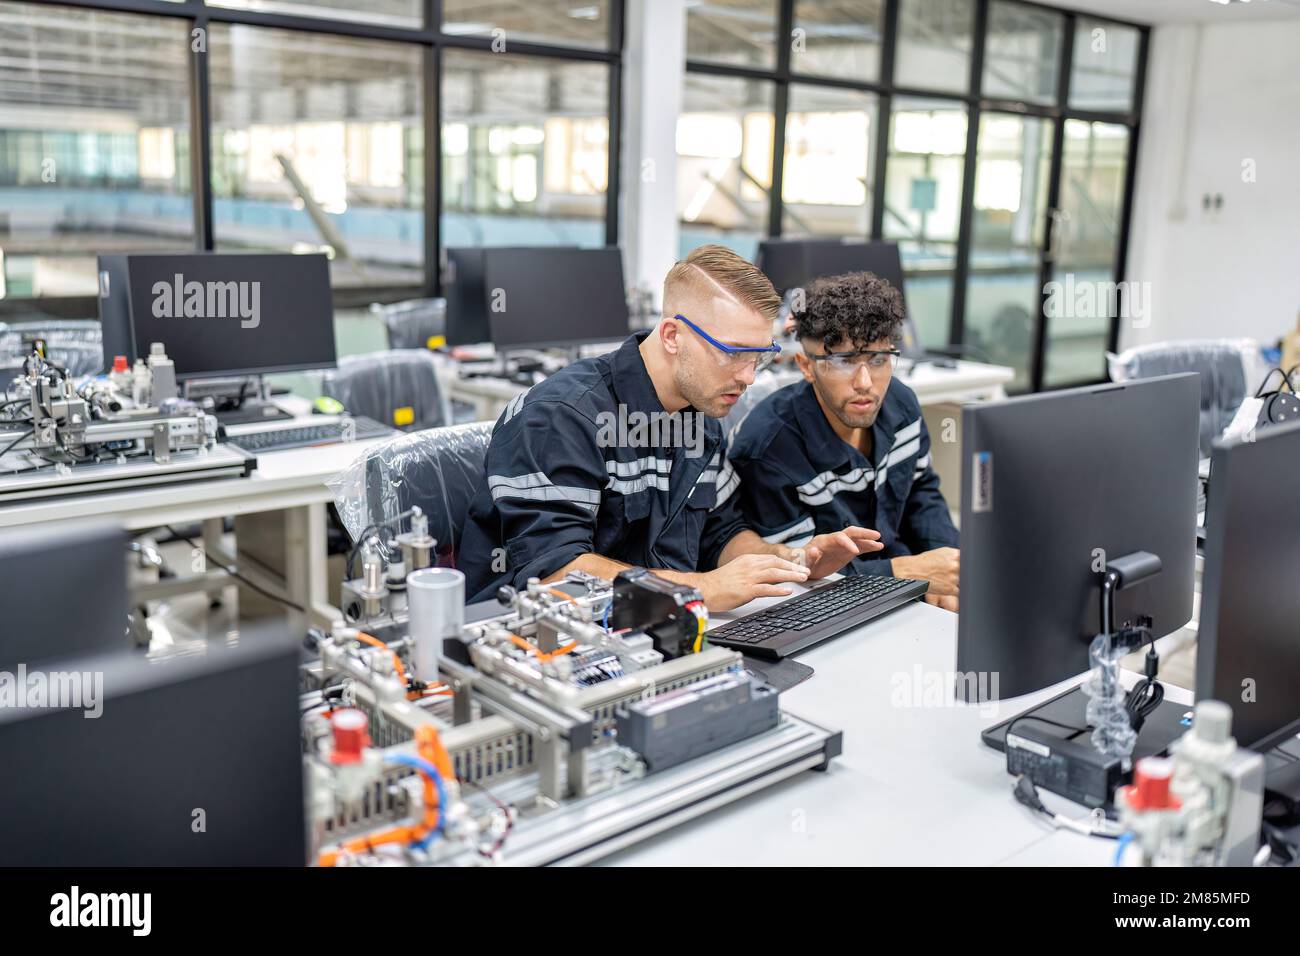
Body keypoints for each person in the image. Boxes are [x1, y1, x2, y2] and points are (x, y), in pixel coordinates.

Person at [458, 245, 884, 611]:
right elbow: (554, 572)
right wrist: (702, 589)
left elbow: (722, 532)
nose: (749, 376)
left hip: (657, 628)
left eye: (760, 356)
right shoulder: (562, 418)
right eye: (734, 353)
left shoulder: (701, 416)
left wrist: (791, 561)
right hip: (541, 645)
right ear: (672, 336)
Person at [728, 271, 960, 611]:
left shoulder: (901, 403)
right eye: (844, 362)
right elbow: (801, 573)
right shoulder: (768, 448)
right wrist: (907, 572)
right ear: (807, 366)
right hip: (826, 611)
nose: (865, 382)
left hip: (906, 596)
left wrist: (945, 565)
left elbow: (921, 492)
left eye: (879, 360)